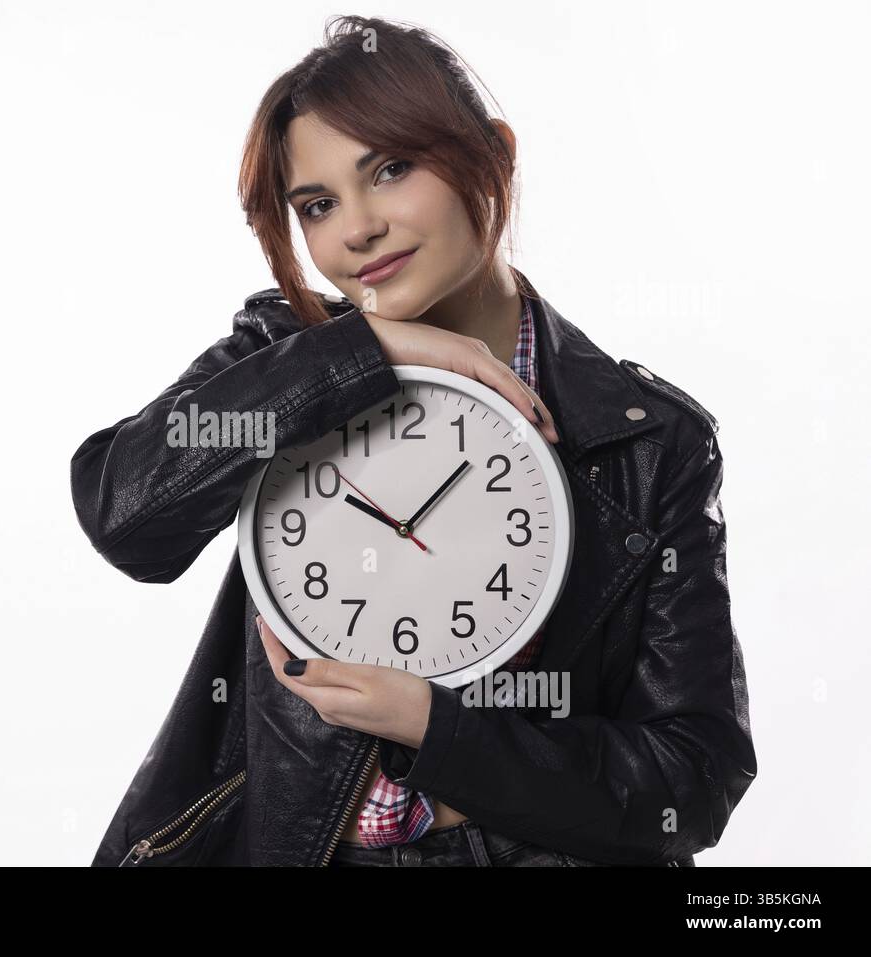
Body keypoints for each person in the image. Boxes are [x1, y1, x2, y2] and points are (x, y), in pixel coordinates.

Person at [71, 15, 756, 867]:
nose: (355, 229)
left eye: (390, 169)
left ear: (495, 155)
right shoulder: (283, 358)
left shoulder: (651, 443)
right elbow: (122, 515)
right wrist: (358, 354)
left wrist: (442, 731)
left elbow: (693, 777)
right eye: (317, 206)